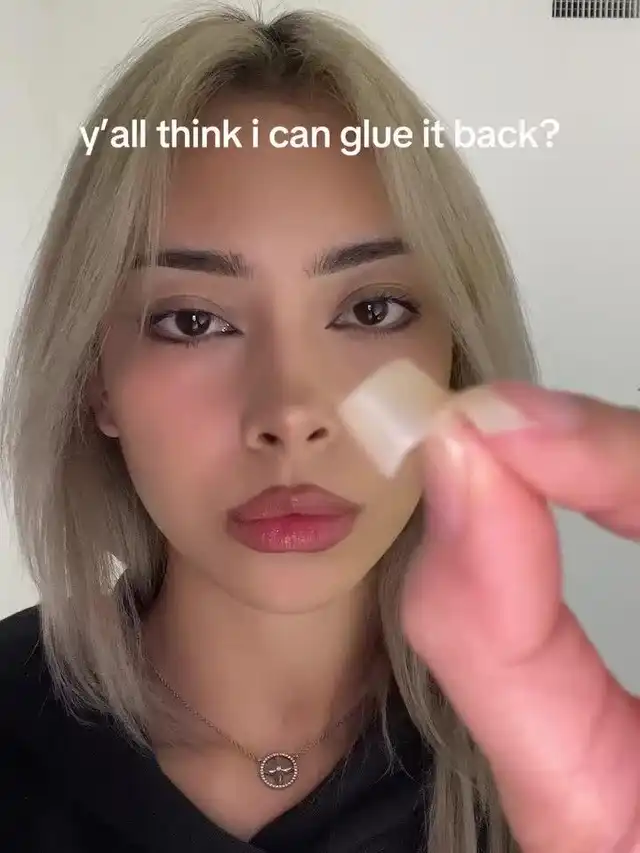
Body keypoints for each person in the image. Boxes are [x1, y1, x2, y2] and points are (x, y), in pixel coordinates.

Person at [1, 6, 639, 853]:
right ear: (96, 379)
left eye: (372, 310)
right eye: (192, 321)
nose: (291, 414)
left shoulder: (565, 766)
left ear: (454, 356)